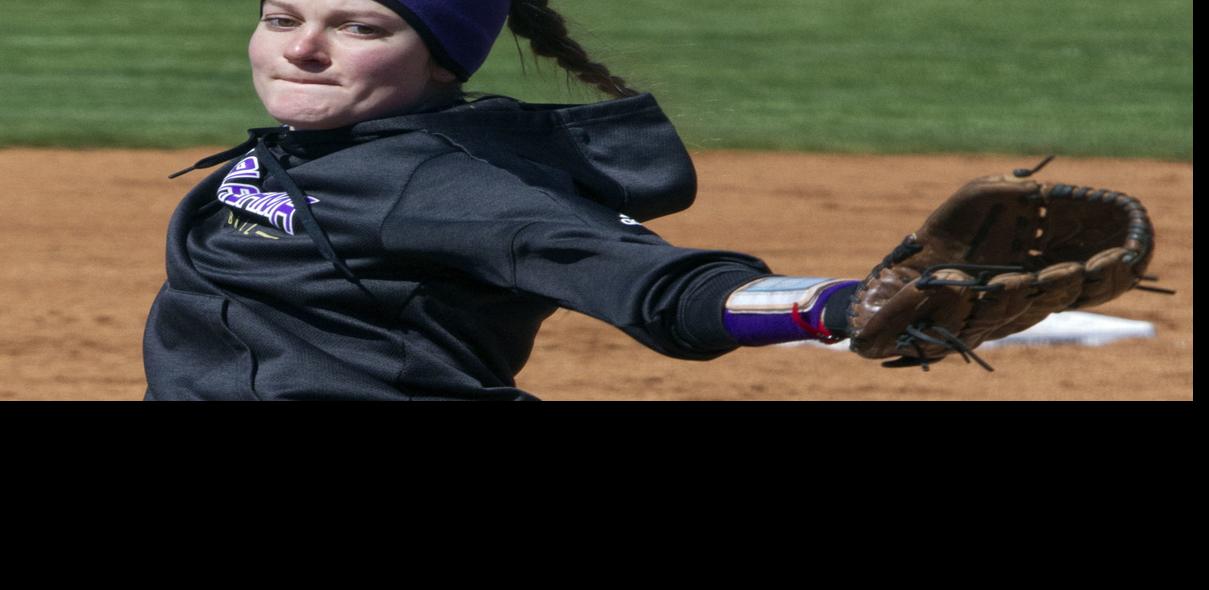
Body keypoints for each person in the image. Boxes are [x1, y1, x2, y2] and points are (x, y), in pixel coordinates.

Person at [143, 0, 860, 400]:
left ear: (440, 60)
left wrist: (834, 306)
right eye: (281, 18)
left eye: (358, 27)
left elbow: (648, 283)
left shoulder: (448, 183)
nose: (301, 49)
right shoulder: (313, 149)